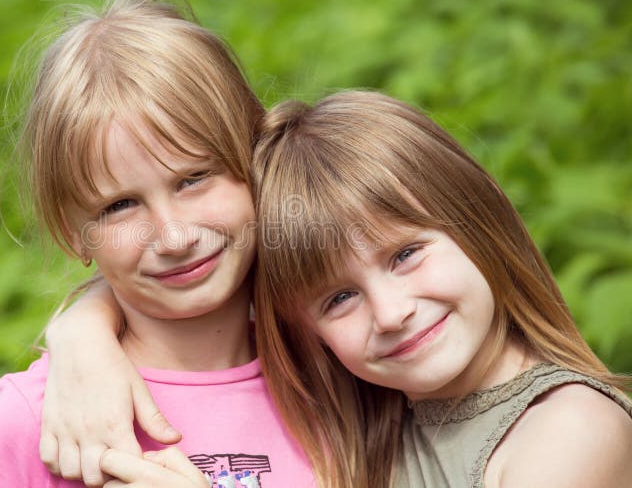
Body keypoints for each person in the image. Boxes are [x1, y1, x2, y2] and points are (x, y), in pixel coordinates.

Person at [44, 90, 632, 487]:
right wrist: (82, 331)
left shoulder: (573, 429)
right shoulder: (368, 410)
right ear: (308, 328)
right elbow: (209, 276)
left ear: (478, 220)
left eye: (405, 254)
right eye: (338, 299)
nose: (392, 312)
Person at [0, 0, 318, 488]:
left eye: (193, 178)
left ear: (256, 159)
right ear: (72, 233)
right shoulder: (39, 424)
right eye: (119, 206)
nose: (173, 236)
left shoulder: (341, 363)